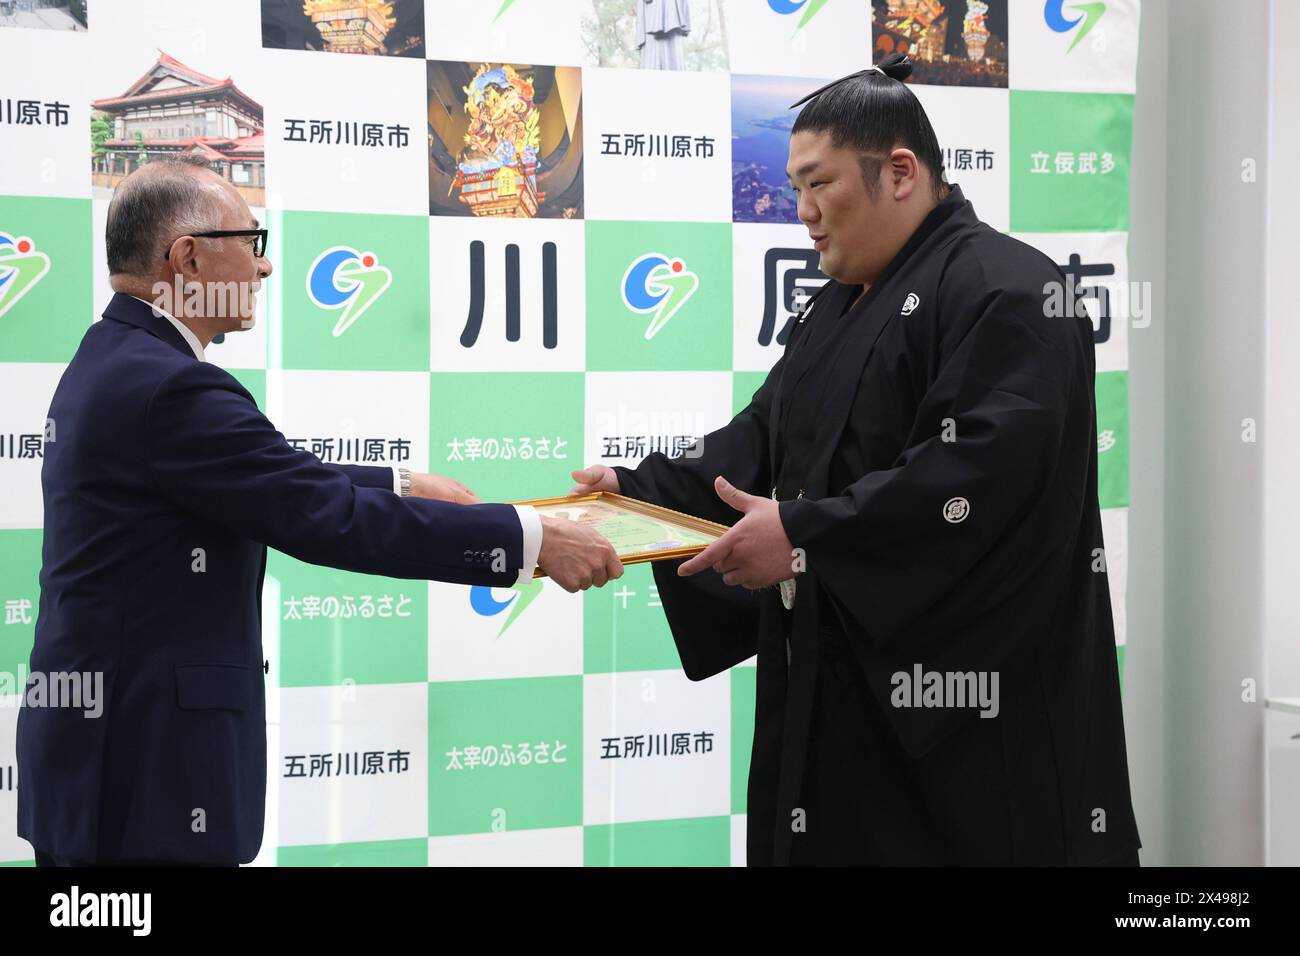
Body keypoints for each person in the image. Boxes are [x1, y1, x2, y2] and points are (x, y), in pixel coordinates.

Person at [571, 54, 1140, 866]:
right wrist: (637, 492)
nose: (801, 212)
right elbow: (760, 441)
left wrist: (805, 536)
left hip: (971, 726)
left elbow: (975, 485)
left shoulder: (1011, 290)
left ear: (900, 171)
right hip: (840, 711)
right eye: (795, 188)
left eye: (818, 184)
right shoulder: (838, 305)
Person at [19, 157, 622, 867]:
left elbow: (249, 475)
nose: (265, 269)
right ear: (186, 257)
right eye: (252, 243)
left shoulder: (118, 360)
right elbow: (315, 512)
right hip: (144, 770)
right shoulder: (169, 386)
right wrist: (530, 538)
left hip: (105, 755)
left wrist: (397, 482)